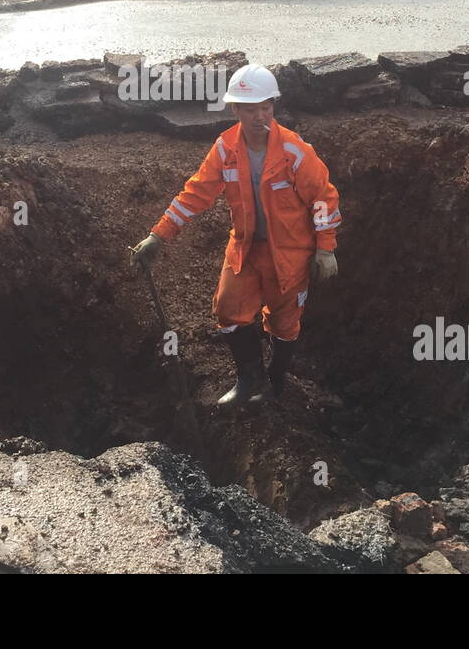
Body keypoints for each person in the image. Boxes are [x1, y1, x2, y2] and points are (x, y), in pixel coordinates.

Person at [130, 66, 341, 404]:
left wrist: (325, 249)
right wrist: (159, 235)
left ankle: (274, 383)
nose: (261, 115)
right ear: (236, 110)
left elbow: (324, 197)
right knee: (229, 309)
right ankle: (249, 381)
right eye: (251, 108)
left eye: (266, 107)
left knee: (285, 323)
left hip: (289, 252)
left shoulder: (294, 151)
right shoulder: (225, 148)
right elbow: (196, 193)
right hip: (245, 247)